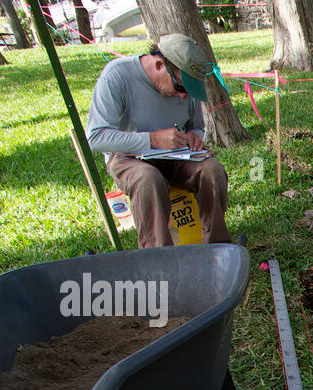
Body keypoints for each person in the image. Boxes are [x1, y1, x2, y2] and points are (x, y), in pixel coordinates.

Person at [86, 34, 232, 248]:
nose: (184, 97)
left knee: (213, 171)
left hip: (177, 154)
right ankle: (159, 259)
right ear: (158, 64)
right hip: (129, 157)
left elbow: (196, 126)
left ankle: (217, 249)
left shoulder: (185, 87)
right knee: (148, 179)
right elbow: (97, 137)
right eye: (181, 88)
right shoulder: (117, 75)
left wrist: (194, 136)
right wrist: (152, 139)